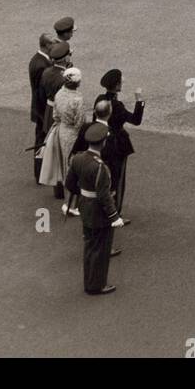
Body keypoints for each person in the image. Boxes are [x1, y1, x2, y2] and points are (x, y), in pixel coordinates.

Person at [64, 123, 124, 295]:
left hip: (85, 206)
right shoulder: (100, 167)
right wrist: (114, 217)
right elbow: (104, 195)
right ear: (103, 142)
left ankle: (89, 281)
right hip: (98, 212)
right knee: (101, 249)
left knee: (90, 246)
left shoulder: (78, 159)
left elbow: (70, 184)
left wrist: (83, 195)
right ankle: (96, 284)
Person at [97, 69, 144, 219]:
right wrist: (139, 101)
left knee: (104, 177)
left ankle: (102, 207)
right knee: (117, 180)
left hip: (101, 141)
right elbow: (136, 120)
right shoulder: (117, 105)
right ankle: (115, 212)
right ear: (116, 85)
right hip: (117, 145)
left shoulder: (100, 99)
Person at [40, 67, 83, 199]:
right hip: (73, 133)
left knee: (62, 162)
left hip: (61, 131)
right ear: (78, 82)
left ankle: (63, 194)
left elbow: (55, 115)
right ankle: (72, 200)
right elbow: (80, 121)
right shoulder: (78, 99)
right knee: (73, 165)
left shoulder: (59, 94)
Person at [35, 40, 71, 196]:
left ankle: (57, 187)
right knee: (62, 149)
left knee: (52, 147)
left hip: (49, 110)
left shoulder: (47, 72)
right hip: (60, 111)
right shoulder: (64, 77)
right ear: (63, 59)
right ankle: (62, 186)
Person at [28, 34, 56, 182]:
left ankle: (42, 171)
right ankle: (39, 173)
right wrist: (44, 115)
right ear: (46, 45)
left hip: (41, 110)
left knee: (42, 139)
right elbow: (41, 93)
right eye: (52, 44)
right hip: (42, 110)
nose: (54, 46)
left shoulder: (40, 60)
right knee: (41, 140)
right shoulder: (40, 65)